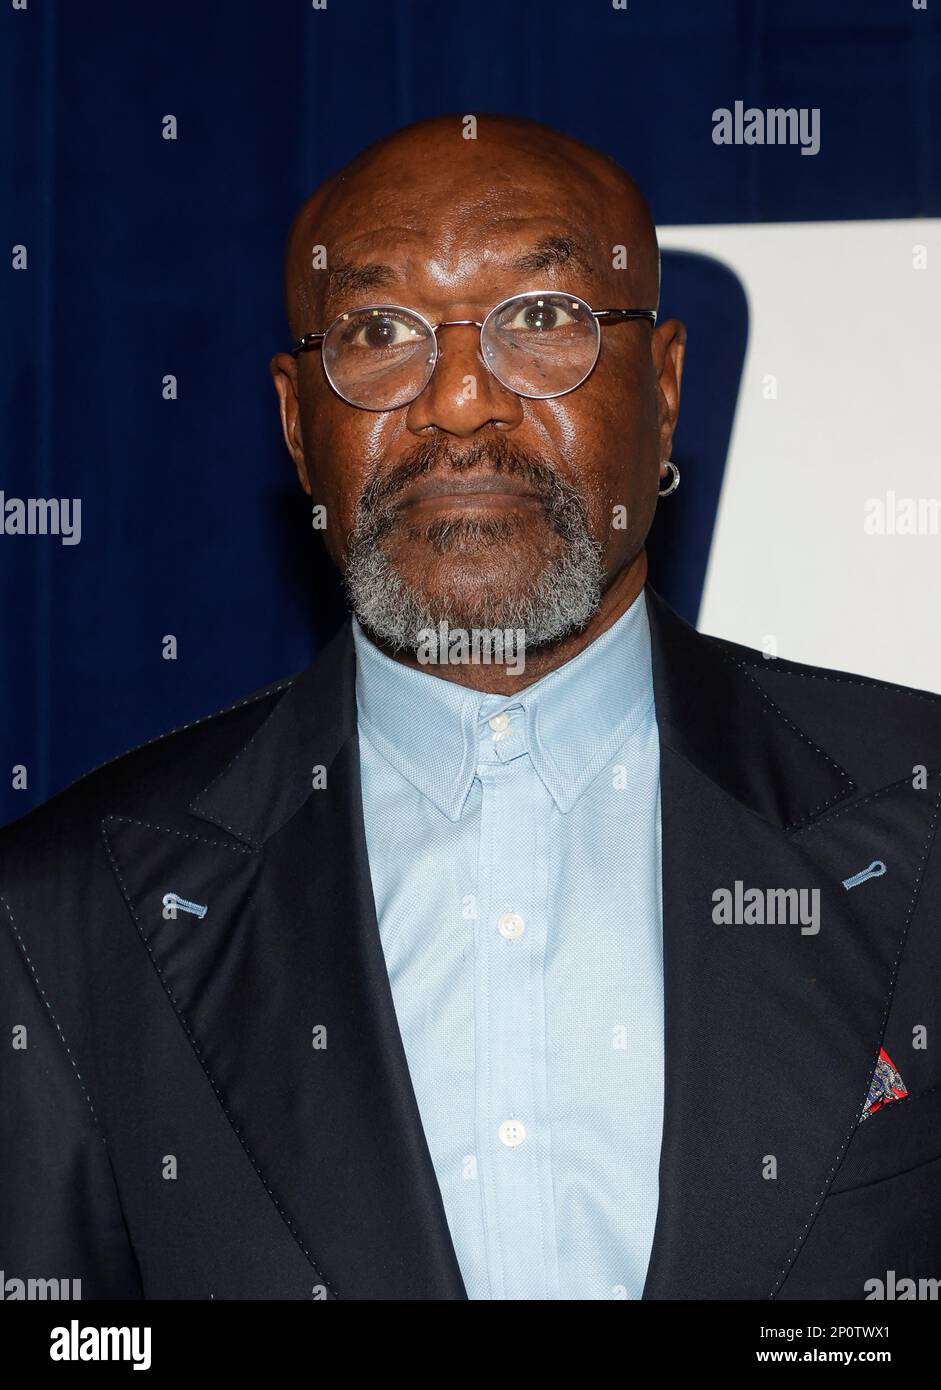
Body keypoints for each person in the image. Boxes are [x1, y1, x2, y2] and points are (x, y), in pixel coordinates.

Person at [1, 114, 939, 1301]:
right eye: (380, 330)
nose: (454, 400)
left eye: (540, 319)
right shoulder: (64, 918)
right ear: (297, 425)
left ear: (663, 389)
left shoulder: (918, 816)